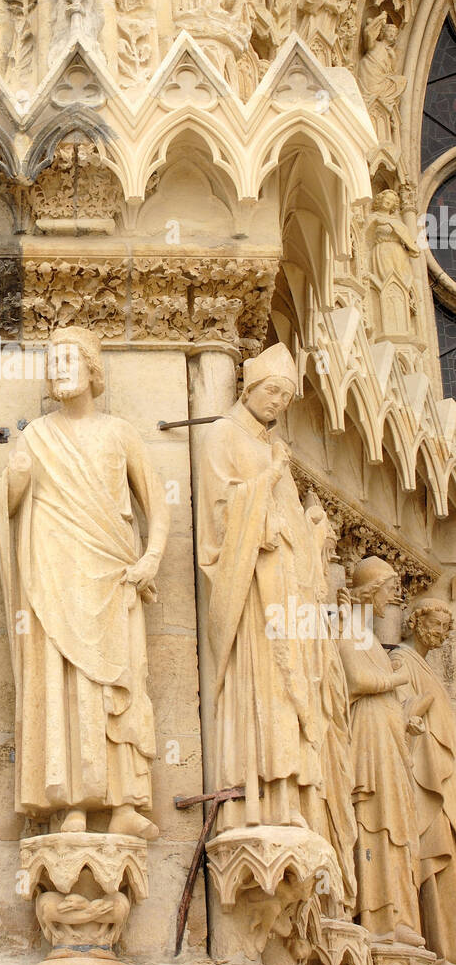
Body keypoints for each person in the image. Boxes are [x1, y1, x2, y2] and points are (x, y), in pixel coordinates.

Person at [0, 325, 168, 838]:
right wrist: (15, 482)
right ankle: (68, 802)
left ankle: (125, 806)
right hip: (54, 580)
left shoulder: (119, 433)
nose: (59, 368)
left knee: (122, 684)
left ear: (93, 370)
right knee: (63, 685)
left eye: (70, 359)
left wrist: (151, 557)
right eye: (53, 361)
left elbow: (156, 503)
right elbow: (4, 507)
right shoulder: (36, 436)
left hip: (113, 578)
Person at [197, 342, 327, 833]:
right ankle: (252, 797)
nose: (278, 403)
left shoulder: (274, 448)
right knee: (260, 682)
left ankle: (287, 791)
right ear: (248, 385)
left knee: (286, 687)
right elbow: (220, 513)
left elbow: (286, 515)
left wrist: (307, 530)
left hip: (284, 586)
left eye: (287, 398)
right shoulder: (224, 435)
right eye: (272, 390)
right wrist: (268, 483)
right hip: (251, 590)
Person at [339, 557, 424, 946]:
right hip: (369, 738)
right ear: (371, 589)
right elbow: (356, 680)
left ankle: (399, 913)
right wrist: (398, 677)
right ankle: (378, 914)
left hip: (387, 736)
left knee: (396, 822)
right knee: (376, 819)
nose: (393, 598)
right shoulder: (349, 629)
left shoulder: (367, 635)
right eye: (390, 589)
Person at [392, 599, 456, 965]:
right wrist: (416, 714)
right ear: (415, 622)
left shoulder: (426, 668)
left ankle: (443, 950)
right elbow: (400, 714)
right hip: (421, 777)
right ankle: (432, 946)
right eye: (435, 623)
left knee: (444, 859)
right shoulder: (401, 660)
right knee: (430, 855)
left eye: (447, 628)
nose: (441, 632)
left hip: (441, 779)